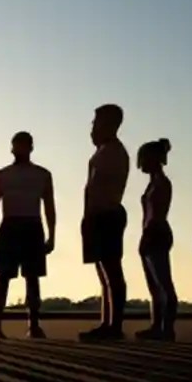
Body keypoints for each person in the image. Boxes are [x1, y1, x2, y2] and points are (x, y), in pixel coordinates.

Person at [0, 132, 56, 339]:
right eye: (17, 146)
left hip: (32, 224)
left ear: (31, 148)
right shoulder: (2, 175)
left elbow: (50, 206)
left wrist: (52, 235)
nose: (20, 150)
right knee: (3, 278)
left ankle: (33, 324)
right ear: (12, 148)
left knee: (32, 278)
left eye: (24, 146)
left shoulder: (42, 175)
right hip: (9, 225)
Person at [80, 104, 131, 341]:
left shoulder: (113, 152)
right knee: (104, 274)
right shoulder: (102, 151)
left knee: (112, 271)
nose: (92, 127)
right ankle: (107, 323)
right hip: (96, 216)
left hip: (107, 215)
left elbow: (104, 189)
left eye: (96, 122)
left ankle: (115, 325)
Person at [136, 139, 177, 341]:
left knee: (163, 282)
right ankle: (157, 325)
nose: (141, 163)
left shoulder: (162, 182)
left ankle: (167, 327)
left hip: (157, 232)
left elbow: (157, 213)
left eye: (144, 158)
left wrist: (148, 234)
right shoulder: (154, 182)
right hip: (150, 232)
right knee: (154, 285)